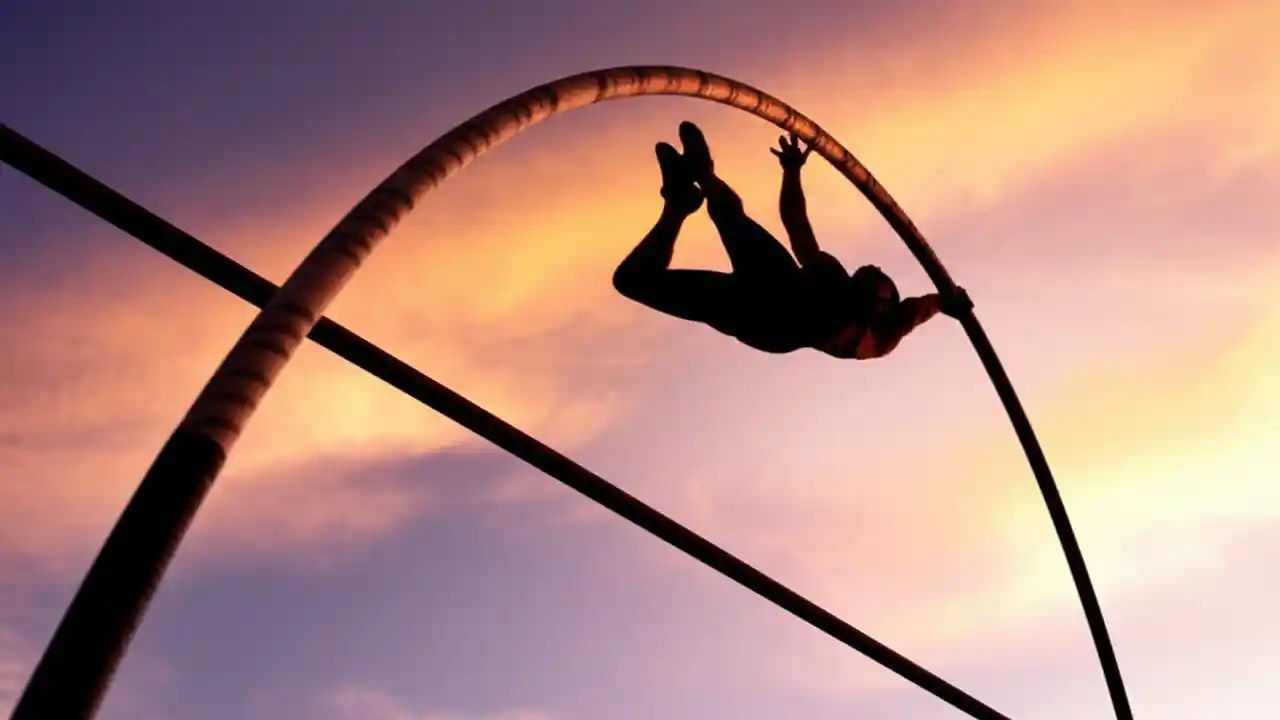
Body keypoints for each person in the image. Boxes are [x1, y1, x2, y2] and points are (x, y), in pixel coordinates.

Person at [612, 121, 971, 359]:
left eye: (878, 275)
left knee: (630, 281)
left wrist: (945, 299)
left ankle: (679, 204)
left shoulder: (878, 331)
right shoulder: (829, 272)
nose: (874, 265)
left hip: (761, 320)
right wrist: (792, 171)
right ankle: (698, 183)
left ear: (882, 301)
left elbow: (919, 308)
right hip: (774, 282)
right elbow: (795, 222)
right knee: (728, 217)